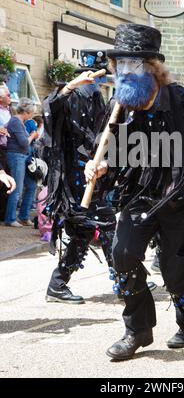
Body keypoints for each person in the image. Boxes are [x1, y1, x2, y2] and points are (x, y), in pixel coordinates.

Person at [84, 23, 184, 361]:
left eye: (134, 65)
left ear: (153, 69)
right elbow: (112, 153)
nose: (125, 72)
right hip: (138, 199)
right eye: (121, 65)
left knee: (175, 274)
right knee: (123, 255)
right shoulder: (121, 107)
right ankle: (137, 329)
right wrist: (100, 166)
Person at [42, 69, 116, 304]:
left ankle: (57, 284)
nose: (93, 86)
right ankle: (126, 281)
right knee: (106, 223)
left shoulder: (96, 102)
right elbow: (50, 110)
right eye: (88, 80)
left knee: (84, 233)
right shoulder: (67, 100)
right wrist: (70, 86)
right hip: (73, 183)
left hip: (93, 177)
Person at [4, 98, 39, 227]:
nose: (31, 116)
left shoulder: (21, 122)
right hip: (16, 156)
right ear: (27, 112)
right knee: (16, 188)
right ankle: (10, 218)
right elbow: (24, 143)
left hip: (23, 157)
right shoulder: (15, 121)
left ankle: (24, 216)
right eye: (31, 113)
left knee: (31, 186)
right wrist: (32, 136)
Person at [0, 84, 12, 220]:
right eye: (8, 95)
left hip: (9, 148)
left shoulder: (10, 110)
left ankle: (3, 214)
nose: (10, 97)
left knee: (7, 183)